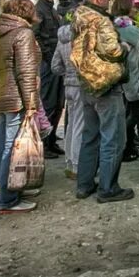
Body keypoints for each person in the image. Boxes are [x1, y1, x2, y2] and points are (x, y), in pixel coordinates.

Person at [72, 0, 134, 203]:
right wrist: (125, 47)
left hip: (87, 83)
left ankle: (84, 184)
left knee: (90, 136)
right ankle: (108, 189)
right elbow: (112, 50)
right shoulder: (101, 20)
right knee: (113, 138)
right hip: (106, 84)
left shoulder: (78, 18)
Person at [0, 0, 42, 214]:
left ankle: (13, 186)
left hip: (1, 94)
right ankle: (7, 199)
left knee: (3, 145)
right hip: (16, 97)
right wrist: (31, 104)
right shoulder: (23, 33)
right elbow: (26, 71)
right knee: (13, 148)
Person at [32, 0, 65, 158]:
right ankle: (43, 144)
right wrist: (47, 56)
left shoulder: (51, 9)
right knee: (48, 103)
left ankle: (51, 141)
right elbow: (35, 36)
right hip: (47, 63)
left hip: (56, 61)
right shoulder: (39, 10)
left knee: (59, 103)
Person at [112, 0, 139, 163]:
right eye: (133, 6)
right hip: (133, 75)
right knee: (134, 114)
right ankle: (126, 148)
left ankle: (129, 147)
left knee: (128, 112)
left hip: (124, 75)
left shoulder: (115, 26)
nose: (136, 9)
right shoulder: (128, 28)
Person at [51, 9, 84, 180]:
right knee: (79, 125)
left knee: (71, 125)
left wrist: (66, 74)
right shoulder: (79, 38)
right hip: (80, 85)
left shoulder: (61, 39)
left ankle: (69, 162)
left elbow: (55, 66)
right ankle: (77, 165)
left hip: (67, 85)